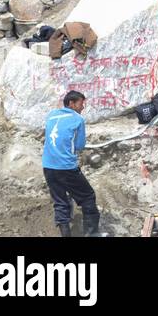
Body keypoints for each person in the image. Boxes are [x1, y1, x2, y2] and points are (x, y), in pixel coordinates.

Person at [42, 90, 100, 237]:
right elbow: (79, 145)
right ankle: (91, 234)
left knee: (60, 201)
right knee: (87, 197)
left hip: (48, 166)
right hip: (66, 167)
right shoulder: (77, 119)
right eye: (81, 103)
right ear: (71, 103)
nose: (83, 107)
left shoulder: (51, 115)